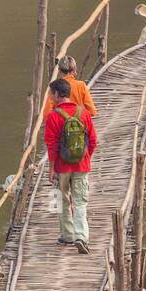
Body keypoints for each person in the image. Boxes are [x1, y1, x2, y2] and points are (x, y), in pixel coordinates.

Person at [44, 76, 97, 254]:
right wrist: (86, 157)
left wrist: (51, 169)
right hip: (81, 166)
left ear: (58, 94)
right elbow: (93, 140)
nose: (51, 98)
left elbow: (51, 146)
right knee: (80, 202)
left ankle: (67, 236)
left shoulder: (52, 116)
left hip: (61, 167)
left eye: (52, 94)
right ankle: (81, 237)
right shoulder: (83, 113)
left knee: (63, 201)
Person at [41, 55, 97, 129]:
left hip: (61, 130)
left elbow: (47, 114)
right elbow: (92, 111)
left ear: (59, 70)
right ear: (74, 70)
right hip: (79, 129)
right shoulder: (81, 85)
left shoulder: (54, 87)